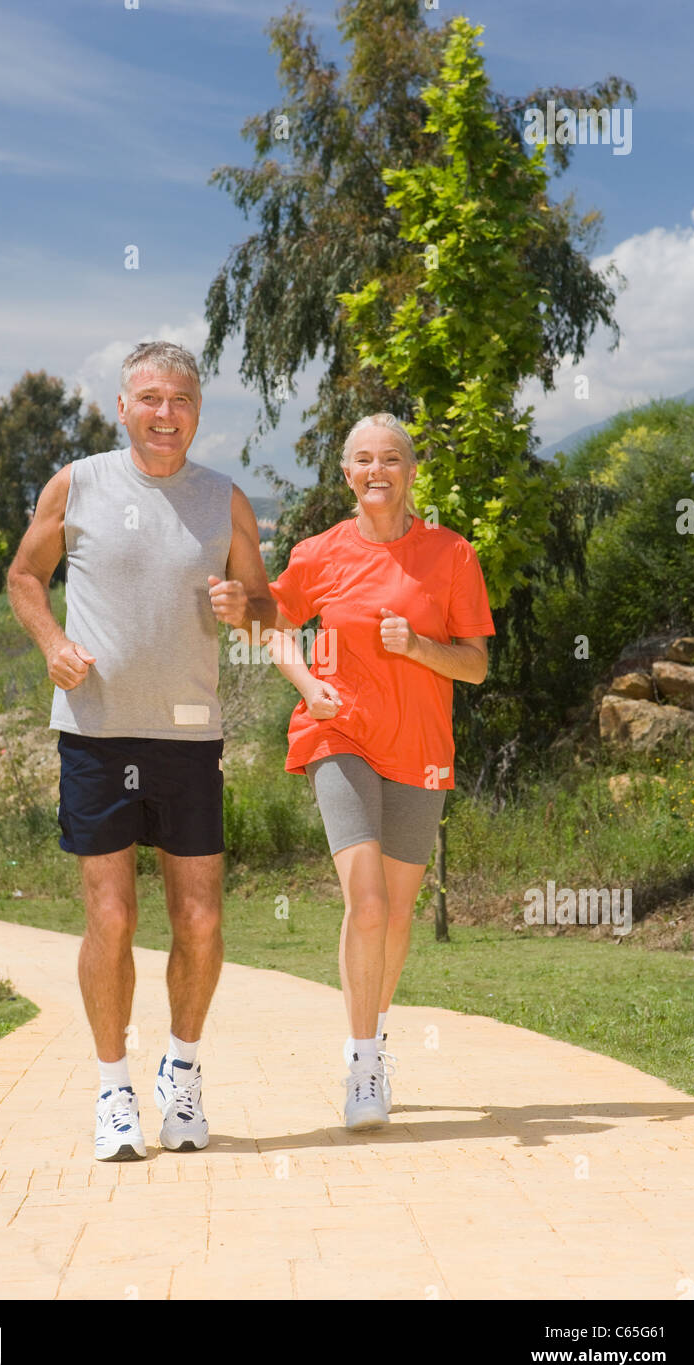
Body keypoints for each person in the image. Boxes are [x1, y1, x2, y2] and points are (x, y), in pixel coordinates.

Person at [7, 342, 276, 1160]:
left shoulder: (224, 500)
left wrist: (246, 608)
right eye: (151, 399)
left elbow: (268, 608)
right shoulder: (78, 484)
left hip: (191, 738)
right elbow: (25, 576)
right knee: (113, 919)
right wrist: (51, 640)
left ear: (198, 411)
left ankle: (183, 1074)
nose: (167, 414)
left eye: (182, 400)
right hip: (96, 732)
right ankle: (113, 1088)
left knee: (200, 920)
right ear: (122, 408)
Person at [265, 413, 495, 1130]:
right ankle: (363, 1061)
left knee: (397, 913)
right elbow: (272, 627)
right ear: (345, 473)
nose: (376, 471)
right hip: (339, 733)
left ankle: (378, 1028)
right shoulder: (318, 553)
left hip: (421, 747)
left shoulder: (451, 555)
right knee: (365, 902)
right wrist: (307, 684)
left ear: (411, 470)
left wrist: (420, 646)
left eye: (390, 458)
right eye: (362, 459)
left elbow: (477, 664)